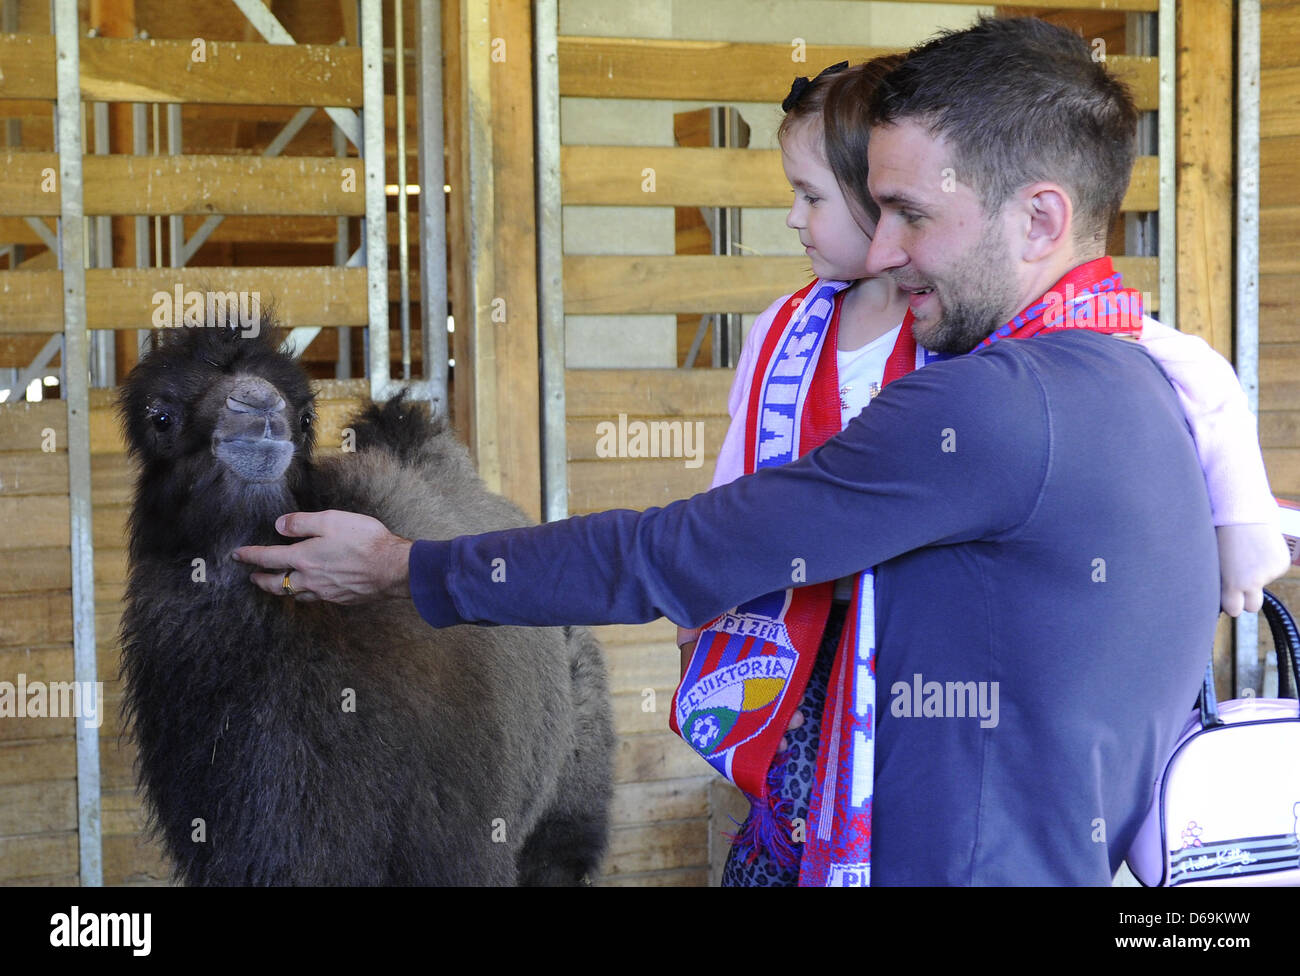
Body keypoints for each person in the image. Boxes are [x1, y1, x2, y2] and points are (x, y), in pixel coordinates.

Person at [234, 17, 1291, 885]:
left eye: (910, 215)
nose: (883, 252)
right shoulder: (1143, 382)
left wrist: (407, 567)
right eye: (872, 211)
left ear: (1039, 218)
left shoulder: (990, 410)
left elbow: (679, 551)